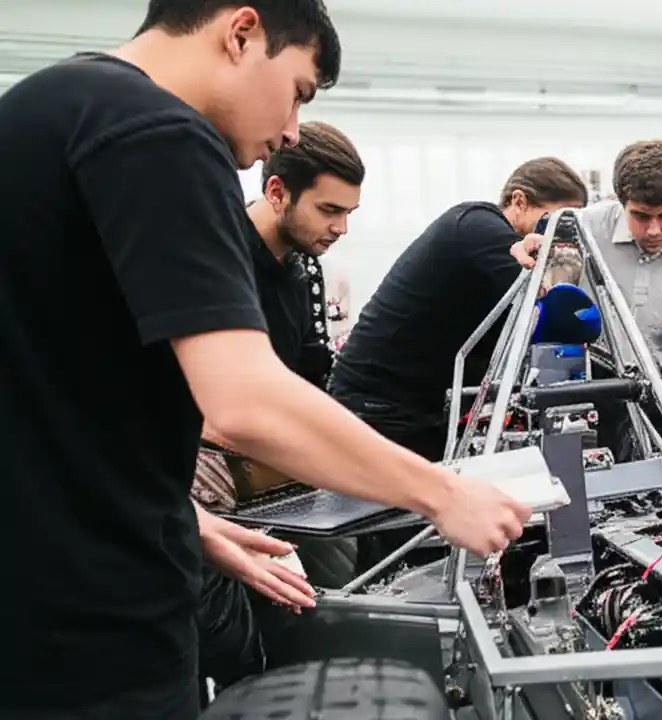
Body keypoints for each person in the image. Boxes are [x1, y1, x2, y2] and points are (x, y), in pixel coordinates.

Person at [0, 3, 528, 718]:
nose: (291, 131)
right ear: (241, 32)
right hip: (95, 620)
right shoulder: (163, 133)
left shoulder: (39, 110)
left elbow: (57, 396)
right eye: (299, 92)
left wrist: (183, 519)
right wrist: (442, 493)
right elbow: (242, 402)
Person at [190, 120, 365, 689]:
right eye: (329, 210)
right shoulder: (215, 256)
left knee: (343, 593)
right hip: (207, 473)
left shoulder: (303, 266)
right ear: (277, 192)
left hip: (277, 465)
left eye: (349, 214)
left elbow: (311, 377)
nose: (340, 228)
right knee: (238, 646)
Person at [328, 157, 590, 460]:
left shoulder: (477, 231)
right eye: (555, 221)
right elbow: (561, 322)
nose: (559, 236)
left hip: (410, 405)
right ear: (519, 201)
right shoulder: (480, 229)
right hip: (380, 406)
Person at [513, 140, 662, 408]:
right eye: (641, 216)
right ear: (621, 203)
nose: (654, 230)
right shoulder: (580, 229)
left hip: (655, 403)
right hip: (577, 393)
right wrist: (527, 250)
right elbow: (537, 292)